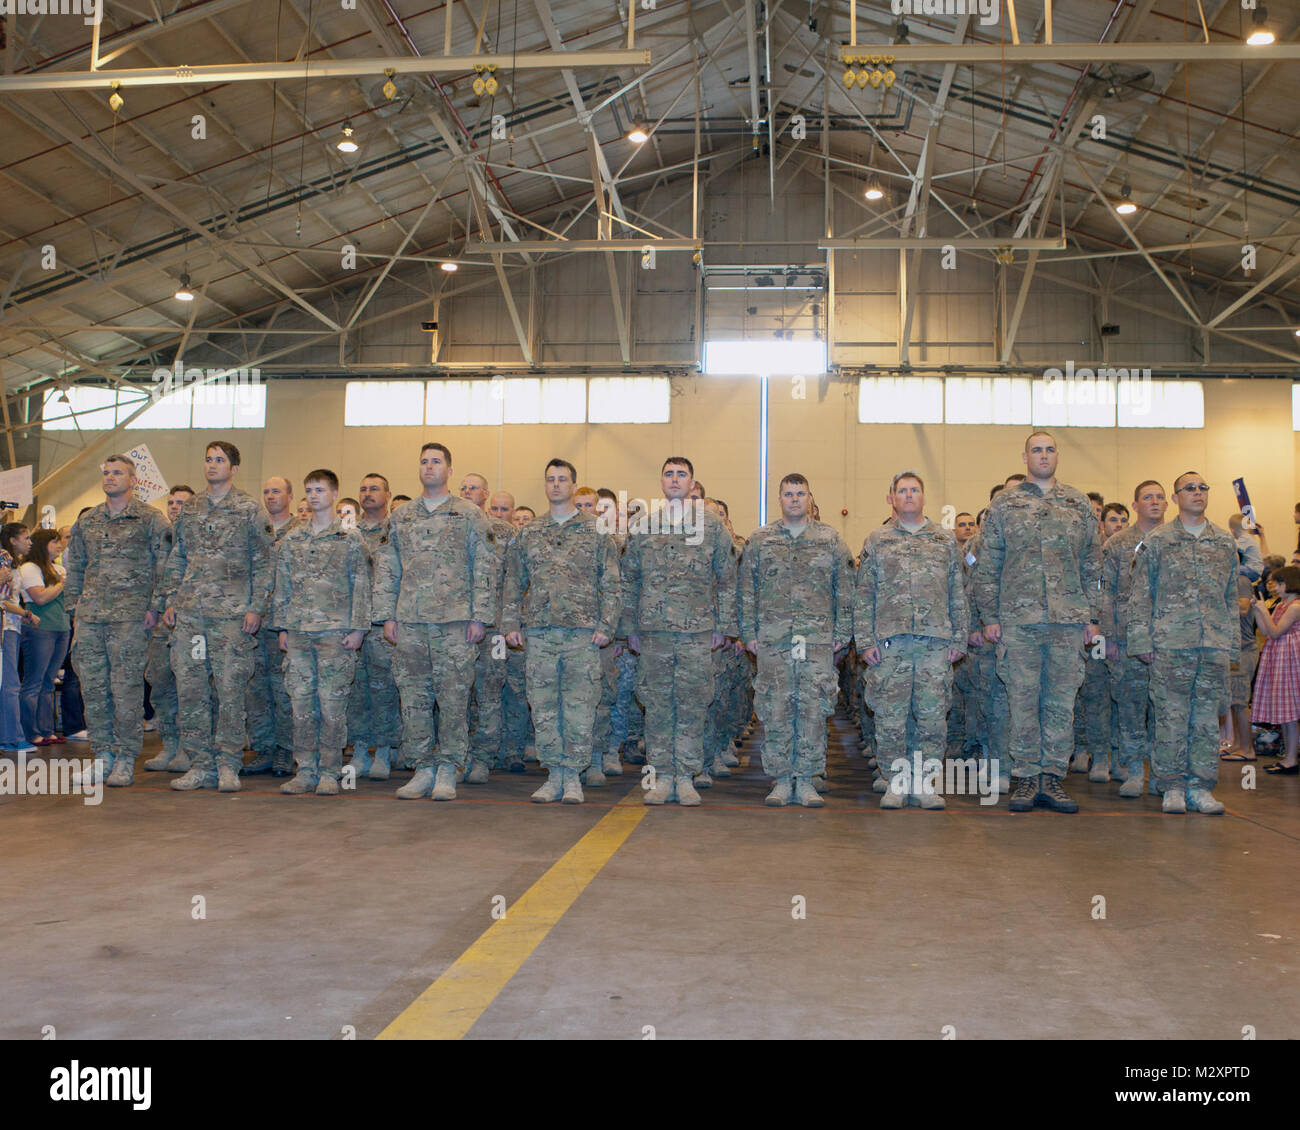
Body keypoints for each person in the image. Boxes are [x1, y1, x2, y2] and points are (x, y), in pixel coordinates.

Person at [972, 431, 1101, 813]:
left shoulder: (1077, 503)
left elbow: (1093, 563)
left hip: (1067, 621)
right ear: (1024, 457)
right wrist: (990, 616)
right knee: (1023, 700)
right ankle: (1027, 776)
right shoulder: (1004, 505)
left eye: (1049, 449)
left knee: (1061, 702)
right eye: (1036, 450)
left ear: (1057, 456)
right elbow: (988, 565)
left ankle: (1053, 778)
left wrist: (1092, 616)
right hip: (1018, 620)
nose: (1043, 456)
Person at [372, 442, 497, 801]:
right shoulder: (402, 516)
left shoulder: (469, 514)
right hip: (410, 620)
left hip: (455, 621)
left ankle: (449, 767)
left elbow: (485, 565)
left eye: (436, 462)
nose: (429, 467)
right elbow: (388, 565)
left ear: (449, 471)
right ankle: (423, 766)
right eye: (424, 462)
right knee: (413, 697)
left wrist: (480, 616)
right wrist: (387, 615)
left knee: (455, 697)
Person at [621, 456, 738, 806]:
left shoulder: (712, 526)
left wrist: (725, 627)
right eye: (669, 474)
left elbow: (727, 580)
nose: (674, 479)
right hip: (653, 632)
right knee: (656, 704)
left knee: (691, 703)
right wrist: (629, 628)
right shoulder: (643, 527)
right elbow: (629, 580)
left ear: (691, 483)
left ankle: (686, 775)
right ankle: (661, 775)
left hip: (697, 631)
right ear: (661, 482)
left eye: (681, 474)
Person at [502, 459, 620, 804]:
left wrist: (606, 626)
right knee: (543, 706)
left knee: (580, 706)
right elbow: (513, 582)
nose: (556, 485)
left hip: (582, 634)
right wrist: (510, 623)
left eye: (562, 480)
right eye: (550, 480)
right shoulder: (530, 532)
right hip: (539, 632)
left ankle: (574, 775)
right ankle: (554, 773)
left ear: (574, 484)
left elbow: (611, 582)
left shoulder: (596, 530)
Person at [162, 441, 274, 793]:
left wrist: (256, 606)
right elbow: (177, 556)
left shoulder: (248, 509)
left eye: (219, 460)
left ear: (234, 467)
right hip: (192, 617)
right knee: (192, 687)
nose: (212, 465)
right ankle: (200, 765)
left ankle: (228, 763)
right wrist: (170, 598)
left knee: (229, 689)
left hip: (231, 617)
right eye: (208, 459)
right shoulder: (191, 507)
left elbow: (264, 561)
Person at [854, 471, 968, 810]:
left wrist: (959, 636)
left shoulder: (944, 540)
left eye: (914, 490)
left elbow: (956, 592)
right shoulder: (877, 539)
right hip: (890, 643)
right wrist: (864, 641)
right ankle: (896, 781)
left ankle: (924, 783)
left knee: (932, 717)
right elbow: (864, 594)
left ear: (923, 496)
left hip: (935, 642)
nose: (908, 495)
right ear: (891, 497)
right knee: (890, 717)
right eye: (901, 490)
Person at [1127, 472, 1239, 814]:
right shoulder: (1158, 541)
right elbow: (1141, 594)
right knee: (1170, 717)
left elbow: (1231, 596)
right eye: (1189, 488)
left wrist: (1231, 644)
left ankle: (1201, 787)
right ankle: (1171, 785)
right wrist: (1141, 638)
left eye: (1203, 487)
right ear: (1175, 498)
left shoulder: (1223, 541)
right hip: (1170, 644)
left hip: (1213, 645)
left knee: (1206, 720)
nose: (1198, 493)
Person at [741, 473, 853, 808]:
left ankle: (806, 779)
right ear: (779, 499)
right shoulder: (761, 540)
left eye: (800, 493)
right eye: (788, 494)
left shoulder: (830, 540)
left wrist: (843, 634)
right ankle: (779, 779)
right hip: (774, 640)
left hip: (816, 640)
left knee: (813, 709)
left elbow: (845, 591)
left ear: (810, 498)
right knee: (775, 708)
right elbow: (747, 590)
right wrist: (748, 633)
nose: (794, 499)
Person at [62, 455, 171, 787]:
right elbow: (76, 567)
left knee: (125, 690)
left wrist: (155, 607)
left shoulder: (151, 519)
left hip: (130, 619)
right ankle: (102, 755)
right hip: (92, 617)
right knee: (94, 689)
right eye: (106, 472)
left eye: (117, 473)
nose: (109, 477)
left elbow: (163, 566)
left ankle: (125, 758)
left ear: (133, 479)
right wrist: (74, 609)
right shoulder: (88, 521)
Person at [270, 470, 370, 796]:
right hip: (298, 632)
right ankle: (305, 770)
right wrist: (283, 626)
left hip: (335, 633)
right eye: (309, 490)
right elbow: (282, 586)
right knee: (301, 705)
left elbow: (361, 586)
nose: (314, 496)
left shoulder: (350, 538)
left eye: (320, 490)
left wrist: (358, 629)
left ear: (335, 493)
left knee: (331, 706)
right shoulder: (292, 540)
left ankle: (329, 770)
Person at [1101, 480, 1167, 797]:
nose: (1154, 502)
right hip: (1127, 642)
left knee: (1165, 711)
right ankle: (1133, 771)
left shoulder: (1176, 540)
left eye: (1159, 497)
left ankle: (1159, 773)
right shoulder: (1117, 545)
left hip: (1169, 642)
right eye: (1147, 497)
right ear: (1136, 504)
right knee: (1129, 709)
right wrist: (1110, 640)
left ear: (1167, 504)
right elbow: (1107, 596)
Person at [242, 477, 302, 776]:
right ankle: (264, 748)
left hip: (283, 622)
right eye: (265, 492)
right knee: (255, 688)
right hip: (253, 621)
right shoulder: (253, 531)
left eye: (276, 491)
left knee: (284, 689)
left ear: (290, 496)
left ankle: (286, 749)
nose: (270, 497)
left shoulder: (300, 532)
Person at [347, 473, 402, 779]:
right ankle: (359, 748)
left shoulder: (397, 530)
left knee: (384, 690)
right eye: (363, 488)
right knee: (355, 689)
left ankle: (383, 749)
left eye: (374, 489)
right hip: (353, 622)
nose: (367, 494)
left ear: (388, 494)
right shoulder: (348, 531)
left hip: (384, 624)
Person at [463, 475, 517, 783]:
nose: (468, 492)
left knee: (489, 691)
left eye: (474, 488)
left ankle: (483, 757)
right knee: (456, 695)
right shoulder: (451, 528)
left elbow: (514, 581)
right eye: (464, 487)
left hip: (494, 628)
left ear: (485, 494)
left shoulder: (505, 532)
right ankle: (460, 755)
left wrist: (509, 622)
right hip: (457, 625)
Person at [142, 485, 194, 772]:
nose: (175, 507)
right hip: (161, 623)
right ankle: (170, 745)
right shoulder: (162, 538)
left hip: (190, 621)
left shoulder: (200, 538)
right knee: (160, 684)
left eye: (182, 503)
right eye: (171, 502)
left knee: (190, 688)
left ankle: (191, 748)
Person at [18, 528, 72, 747]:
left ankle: (47, 730)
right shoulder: (30, 568)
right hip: (40, 628)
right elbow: (39, 597)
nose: (59, 546)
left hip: (61, 626)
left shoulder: (59, 568)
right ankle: (30, 732)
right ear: (42, 544)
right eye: (54, 542)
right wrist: (60, 584)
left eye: (60, 542)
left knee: (49, 682)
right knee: (34, 681)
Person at [1250, 565, 1300, 775]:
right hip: (1279, 655)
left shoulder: (1295, 606)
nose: (1276, 588)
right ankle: (1289, 758)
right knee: (1286, 713)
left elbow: (1276, 631)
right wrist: (1258, 610)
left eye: (1280, 583)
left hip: (1288, 655)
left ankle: (1291, 759)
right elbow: (1265, 630)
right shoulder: (1282, 604)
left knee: (1290, 712)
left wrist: (1263, 611)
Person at [0, 524, 38, 754]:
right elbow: (3, 600)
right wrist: (26, 613)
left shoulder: (12, 562)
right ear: (12, 540)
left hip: (10, 627)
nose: (30, 542)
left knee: (10, 682)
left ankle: (10, 735)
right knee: (10, 684)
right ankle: (11, 736)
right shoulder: (4, 558)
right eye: (26, 537)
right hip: (5, 628)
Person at [1220, 575, 1260, 763]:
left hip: (1244, 649)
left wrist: (1215, 600)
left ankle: (1248, 749)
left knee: (1241, 702)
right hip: (1230, 650)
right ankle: (1237, 744)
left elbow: (1243, 608)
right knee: (1233, 701)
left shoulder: (1241, 580)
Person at [1227, 512, 1266, 582]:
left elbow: (1234, 553)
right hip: (1256, 570)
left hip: (1251, 569)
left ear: (1232, 530)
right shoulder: (1250, 538)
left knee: (1227, 568)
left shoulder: (1244, 538)